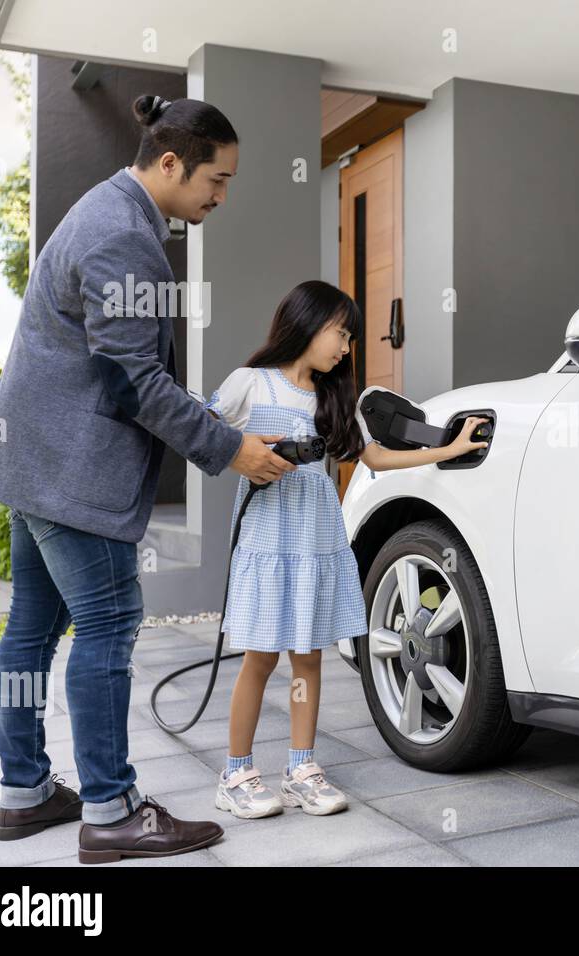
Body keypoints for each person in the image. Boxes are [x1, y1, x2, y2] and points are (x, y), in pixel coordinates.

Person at [0, 94, 296, 864]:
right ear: (172, 162)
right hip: (73, 473)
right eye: (218, 179)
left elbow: (119, 369)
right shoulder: (123, 236)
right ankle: (111, 811)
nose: (221, 195)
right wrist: (230, 448)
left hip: (35, 462)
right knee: (107, 629)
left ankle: (25, 793)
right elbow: (131, 382)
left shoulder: (106, 211)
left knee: (30, 631)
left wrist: (216, 425)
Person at [204, 279, 487, 819]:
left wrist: (447, 449)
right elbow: (204, 430)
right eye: (340, 333)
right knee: (261, 657)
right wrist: (244, 451)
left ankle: (301, 768)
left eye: (350, 338)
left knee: (307, 658)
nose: (345, 346)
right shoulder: (250, 384)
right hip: (268, 542)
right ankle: (236, 772)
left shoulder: (335, 397)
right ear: (306, 324)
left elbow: (373, 458)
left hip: (314, 542)